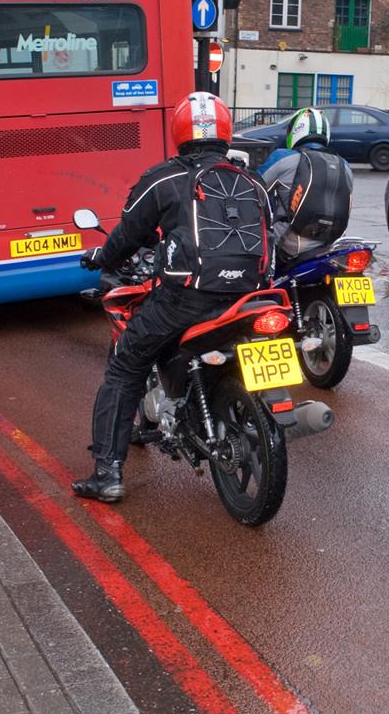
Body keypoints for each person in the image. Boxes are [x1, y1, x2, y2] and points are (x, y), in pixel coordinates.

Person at [73, 92, 272, 502]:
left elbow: (130, 234)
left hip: (187, 299)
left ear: (179, 131)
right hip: (251, 296)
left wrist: (101, 257)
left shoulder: (164, 178)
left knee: (126, 364)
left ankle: (107, 473)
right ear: (225, 130)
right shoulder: (251, 180)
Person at [260, 107, 354, 262]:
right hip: (331, 245)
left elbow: (254, 188)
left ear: (295, 131)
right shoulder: (345, 166)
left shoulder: (282, 157)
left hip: (288, 245)